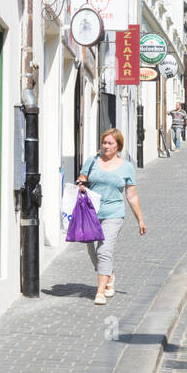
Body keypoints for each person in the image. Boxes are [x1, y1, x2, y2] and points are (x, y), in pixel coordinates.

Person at [77, 128, 146, 306]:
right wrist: (81, 185)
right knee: (92, 250)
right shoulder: (92, 162)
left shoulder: (126, 167)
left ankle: (100, 292)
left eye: (110, 143)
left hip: (113, 213)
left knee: (104, 250)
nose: (105, 146)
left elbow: (131, 195)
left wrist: (140, 219)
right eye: (104, 142)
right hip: (91, 212)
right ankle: (109, 275)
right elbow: (82, 178)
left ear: (118, 146)